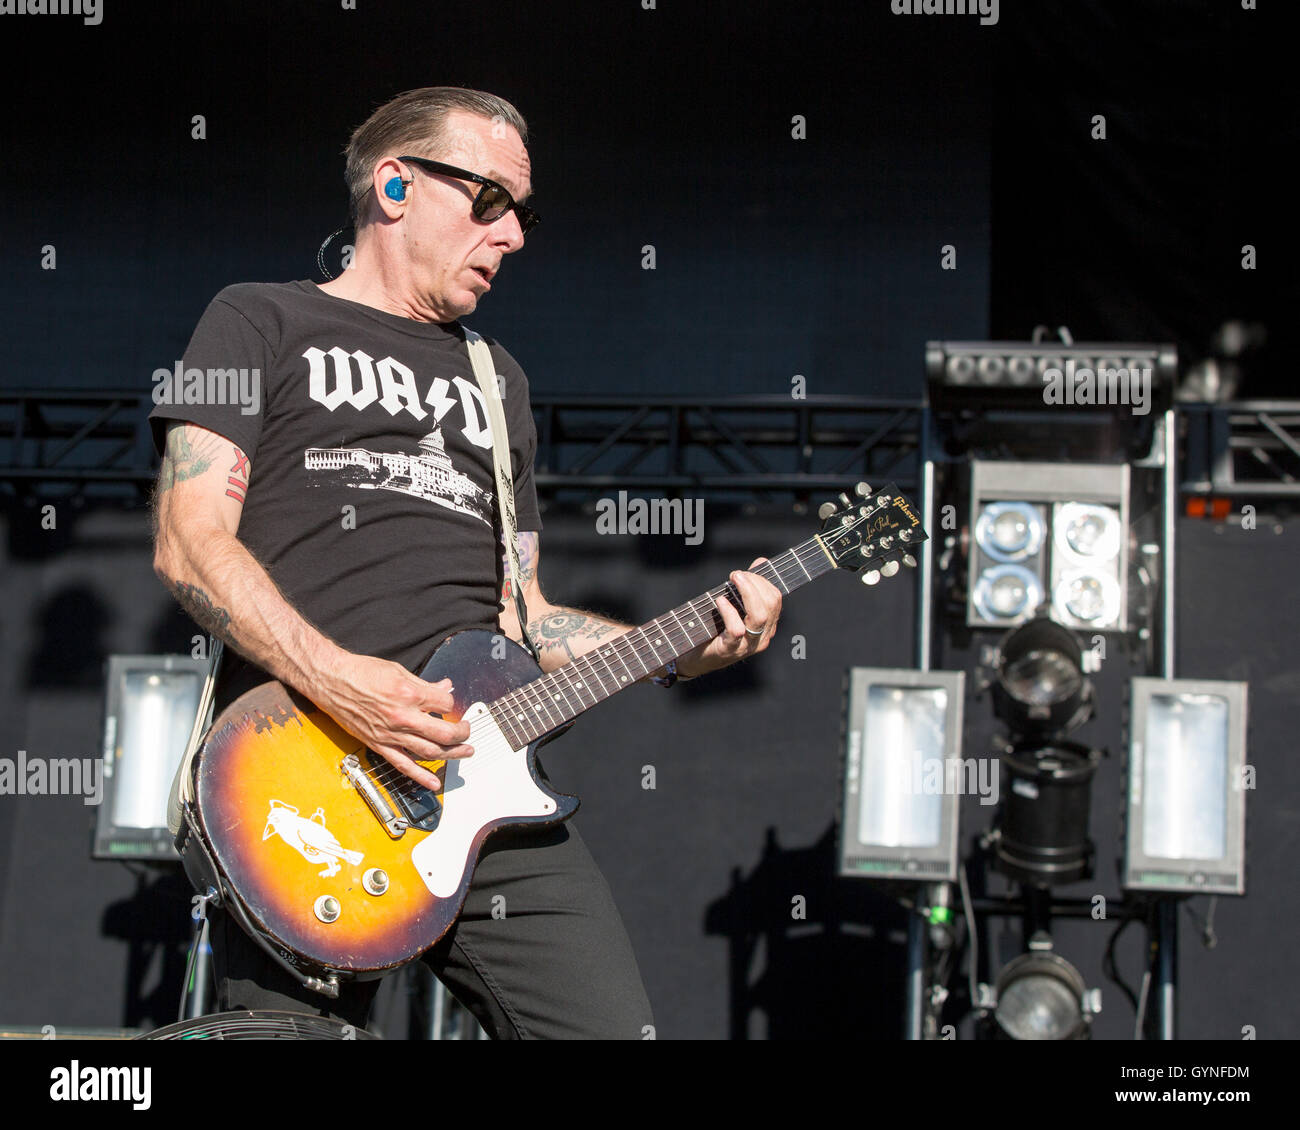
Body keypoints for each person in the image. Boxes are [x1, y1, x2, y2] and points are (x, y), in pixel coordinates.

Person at [149, 86, 783, 1039]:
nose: (513, 235)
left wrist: (685, 647)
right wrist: (342, 682)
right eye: (491, 200)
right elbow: (188, 540)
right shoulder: (254, 320)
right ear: (395, 186)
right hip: (304, 780)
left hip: (485, 787)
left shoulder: (499, 381)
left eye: (523, 213)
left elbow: (526, 618)